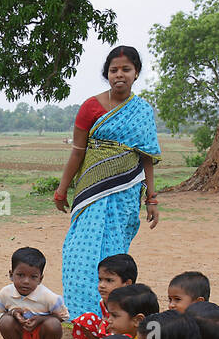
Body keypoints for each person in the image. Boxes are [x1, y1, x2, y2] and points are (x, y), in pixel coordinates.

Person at [53, 46, 162, 324]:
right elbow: (77, 151)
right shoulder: (91, 107)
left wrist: (152, 198)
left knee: (114, 254)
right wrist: (62, 189)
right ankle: (82, 314)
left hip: (126, 193)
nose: (119, 75)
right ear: (107, 74)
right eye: (114, 70)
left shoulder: (142, 111)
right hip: (90, 193)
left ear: (136, 73)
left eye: (126, 69)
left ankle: (112, 315)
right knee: (78, 252)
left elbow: (147, 157)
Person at [0, 246, 69, 339]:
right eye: (20, 275)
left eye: (33, 277)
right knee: (5, 321)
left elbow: (63, 317)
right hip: (20, 337)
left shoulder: (49, 297)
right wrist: (13, 313)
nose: (26, 281)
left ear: (40, 279)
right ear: (11, 275)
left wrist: (41, 319)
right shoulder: (5, 294)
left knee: (53, 323)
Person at [69, 253, 136, 339]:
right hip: (111, 334)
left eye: (109, 280)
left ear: (127, 283)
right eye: (100, 279)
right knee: (86, 320)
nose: (102, 285)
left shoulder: (133, 302)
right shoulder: (105, 300)